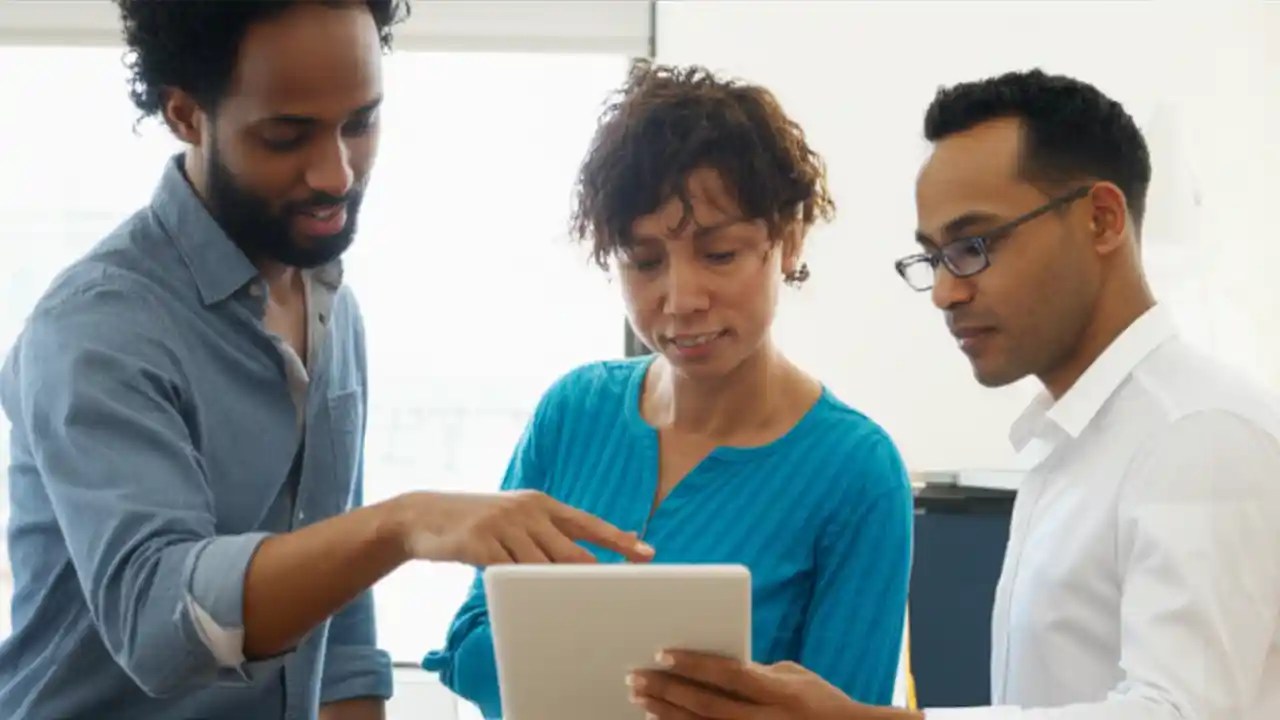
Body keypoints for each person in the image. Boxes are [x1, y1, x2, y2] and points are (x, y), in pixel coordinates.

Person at [0, 3, 652, 719]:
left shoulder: (330, 308)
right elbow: (162, 626)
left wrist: (377, 543)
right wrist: (403, 524)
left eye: (360, 123)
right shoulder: (99, 328)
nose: (336, 173)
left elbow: (338, 627)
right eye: (288, 135)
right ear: (187, 115)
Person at [629, 69, 1280, 720]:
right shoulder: (1079, 441)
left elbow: (1185, 712)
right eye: (934, 258)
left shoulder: (1199, 432)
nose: (945, 292)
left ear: (1102, 219)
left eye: (972, 247)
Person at [422, 60, 915, 719]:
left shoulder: (856, 472)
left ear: (788, 241)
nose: (680, 299)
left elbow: (840, 712)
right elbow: (467, 650)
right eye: (645, 261)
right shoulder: (573, 413)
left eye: (719, 254)